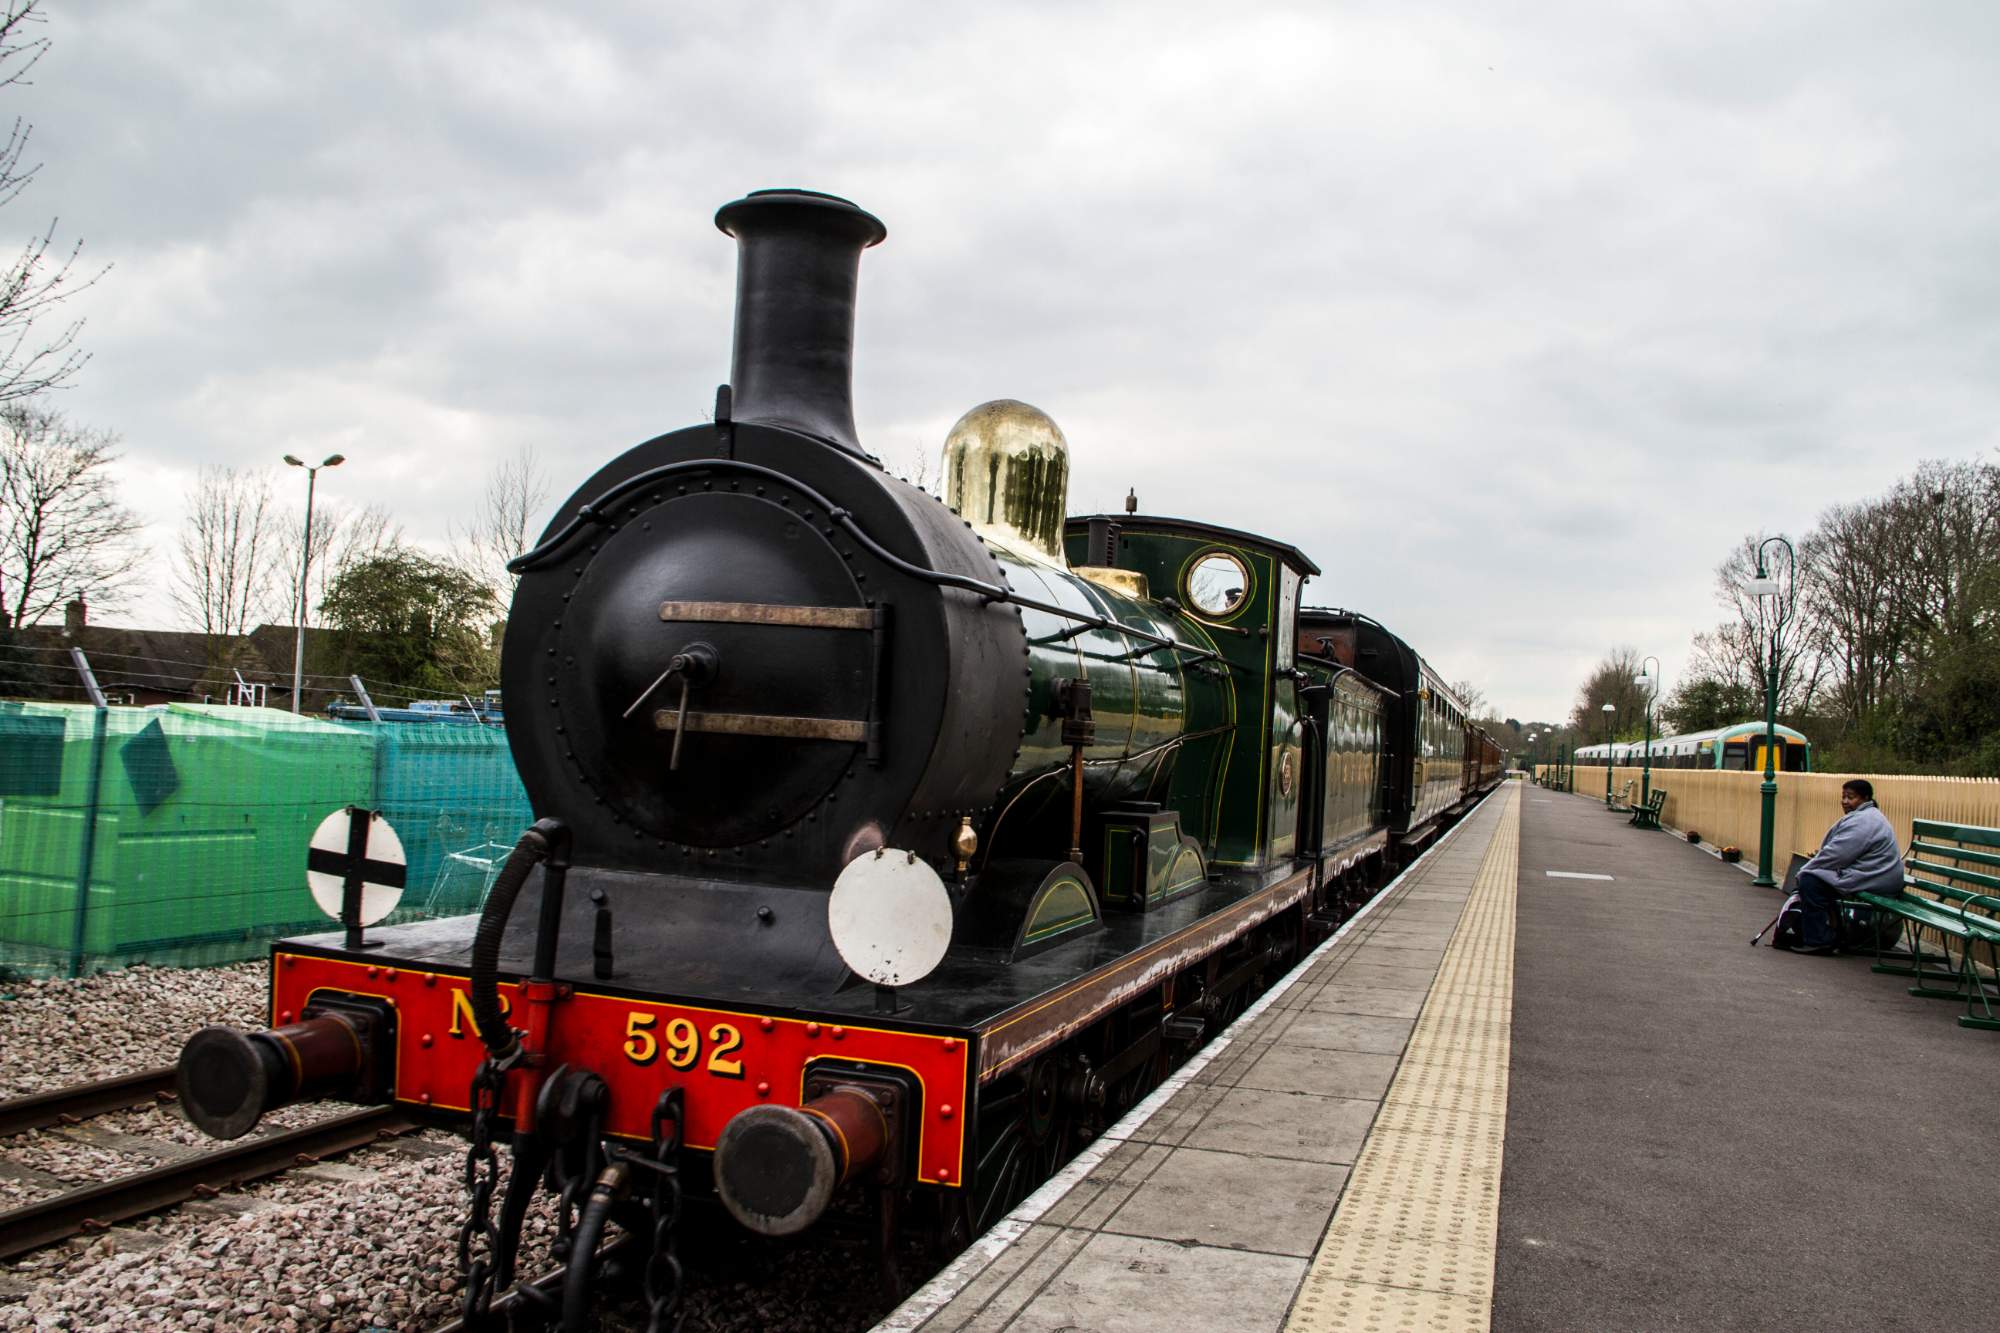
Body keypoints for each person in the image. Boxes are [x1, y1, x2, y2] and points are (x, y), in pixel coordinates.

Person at [1784, 779, 1903, 953]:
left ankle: (1819, 940)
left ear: (1865, 798)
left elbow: (1837, 854)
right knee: (1815, 879)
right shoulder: (1866, 816)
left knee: (1811, 882)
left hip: (1875, 877)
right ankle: (1826, 934)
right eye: (1843, 797)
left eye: (1851, 797)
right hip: (1871, 873)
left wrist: (1806, 869)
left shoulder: (1865, 821)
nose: (1845, 801)